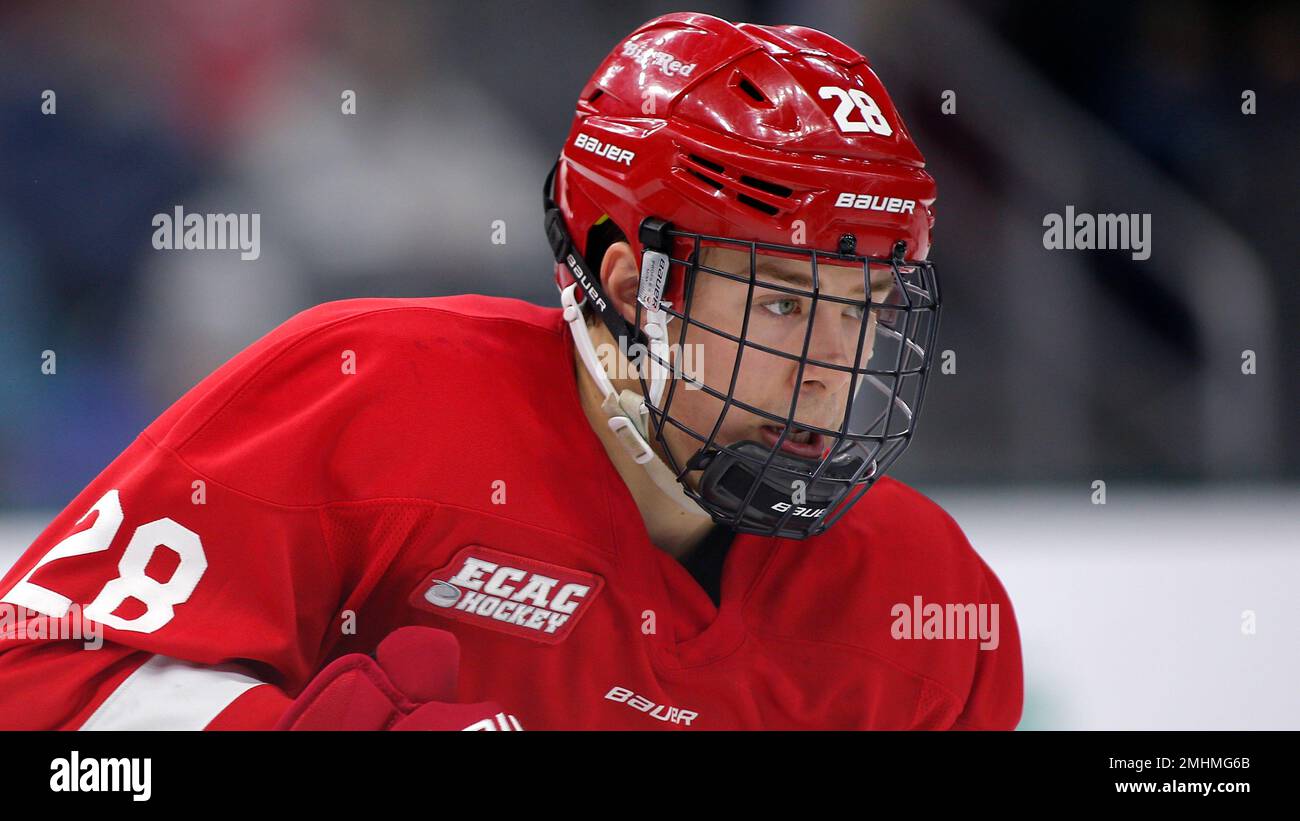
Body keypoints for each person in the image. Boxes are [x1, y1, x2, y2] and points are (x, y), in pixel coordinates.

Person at [0, 12, 1021, 730]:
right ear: (632, 286)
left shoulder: (922, 609)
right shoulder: (375, 402)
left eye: (866, 306)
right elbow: (32, 681)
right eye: (787, 303)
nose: (830, 372)